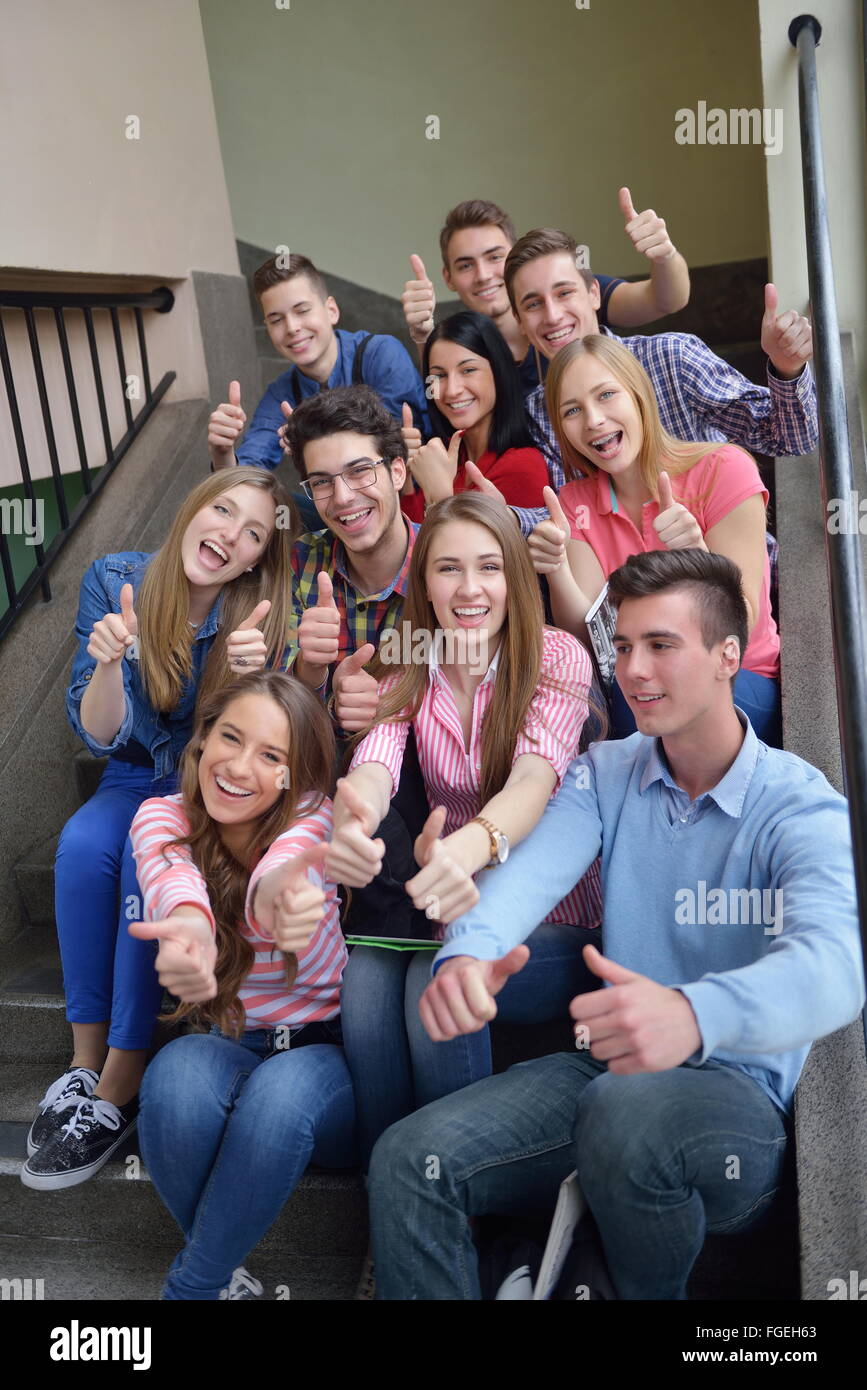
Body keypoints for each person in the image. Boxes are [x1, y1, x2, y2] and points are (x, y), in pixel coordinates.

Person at [365, 549, 865, 1301]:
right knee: (406, 1159)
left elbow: (835, 969)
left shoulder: (798, 806)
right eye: (623, 646)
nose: (632, 670)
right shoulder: (606, 772)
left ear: (728, 656)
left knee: (621, 1110)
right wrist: (467, 954)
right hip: (605, 1074)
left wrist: (694, 1013)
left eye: (660, 645)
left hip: (730, 1102)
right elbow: (524, 879)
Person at [20, 470, 295, 1191]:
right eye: (222, 510)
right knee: (83, 846)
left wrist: (253, 677)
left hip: (203, 787)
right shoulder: (116, 579)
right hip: (133, 768)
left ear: (254, 561)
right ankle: (83, 1070)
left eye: (252, 534)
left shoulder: (256, 615)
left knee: (151, 861)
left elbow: (254, 748)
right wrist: (110, 662)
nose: (229, 535)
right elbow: (101, 730)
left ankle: (124, 1072)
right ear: (192, 507)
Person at [326, 492, 603, 1169]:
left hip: (552, 921)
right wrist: (355, 816)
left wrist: (465, 847)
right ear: (423, 582)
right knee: (363, 988)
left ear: (513, 573)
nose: (469, 587)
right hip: (442, 897)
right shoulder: (410, 655)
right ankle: (385, 1184)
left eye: (488, 567)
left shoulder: (556, 656)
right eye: (448, 568)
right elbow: (376, 760)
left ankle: (453, 1177)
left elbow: (533, 781)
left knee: (434, 984)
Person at [127, 672, 356, 1300]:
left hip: (325, 1050)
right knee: (170, 1081)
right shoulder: (159, 816)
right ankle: (227, 1279)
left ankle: (192, 1288)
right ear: (201, 740)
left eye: (272, 756)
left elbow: (282, 872)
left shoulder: (314, 817)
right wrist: (190, 930)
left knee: (277, 1102)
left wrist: (281, 898)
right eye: (229, 737)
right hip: (228, 1039)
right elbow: (175, 883)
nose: (239, 765)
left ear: (294, 775)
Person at [530, 334, 781, 743]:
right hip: (638, 684)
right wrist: (557, 568)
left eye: (607, 395)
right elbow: (589, 640)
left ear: (639, 396)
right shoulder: (573, 502)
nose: (593, 419)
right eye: (572, 410)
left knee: (640, 700)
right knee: (599, 701)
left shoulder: (723, 469)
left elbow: (744, 623)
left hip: (739, 678)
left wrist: (697, 558)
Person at [500, 227, 817, 535]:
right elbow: (568, 517)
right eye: (533, 304)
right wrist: (498, 517)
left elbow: (792, 440)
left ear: (594, 293)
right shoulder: (539, 410)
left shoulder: (671, 357)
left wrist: (786, 369)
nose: (553, 314)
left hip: (728, 567)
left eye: (564, 292)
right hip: (625, 582)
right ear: (521, 323)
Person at [208, 253, 429, 531]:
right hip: (338, 508)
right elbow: (247, 474)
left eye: (302, 310)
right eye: (276, 320)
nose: (292, 328)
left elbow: (399, 449)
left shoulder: (380, 354)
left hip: (409, 501)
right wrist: (222, 452)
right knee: (270, 503)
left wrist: (310, 440)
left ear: (331, 310)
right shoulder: (282, 392)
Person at [402, 194, 691, 395]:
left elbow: (666, 300)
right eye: (466, 265)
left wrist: (664, 256)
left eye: (494, 257)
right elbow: (442, 399)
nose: (483, 275)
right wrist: (421, 334)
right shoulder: (465, 342)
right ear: (448, 279)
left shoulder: (568, 297)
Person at [399, 310, 548, 522]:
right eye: (439, 375)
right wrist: (407, 480)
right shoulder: (447, 457)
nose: (452, 390)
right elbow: (412, 546)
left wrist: (439, 497)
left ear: (498, 372)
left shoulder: (523, 466)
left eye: (468, 370)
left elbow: (460, 552)